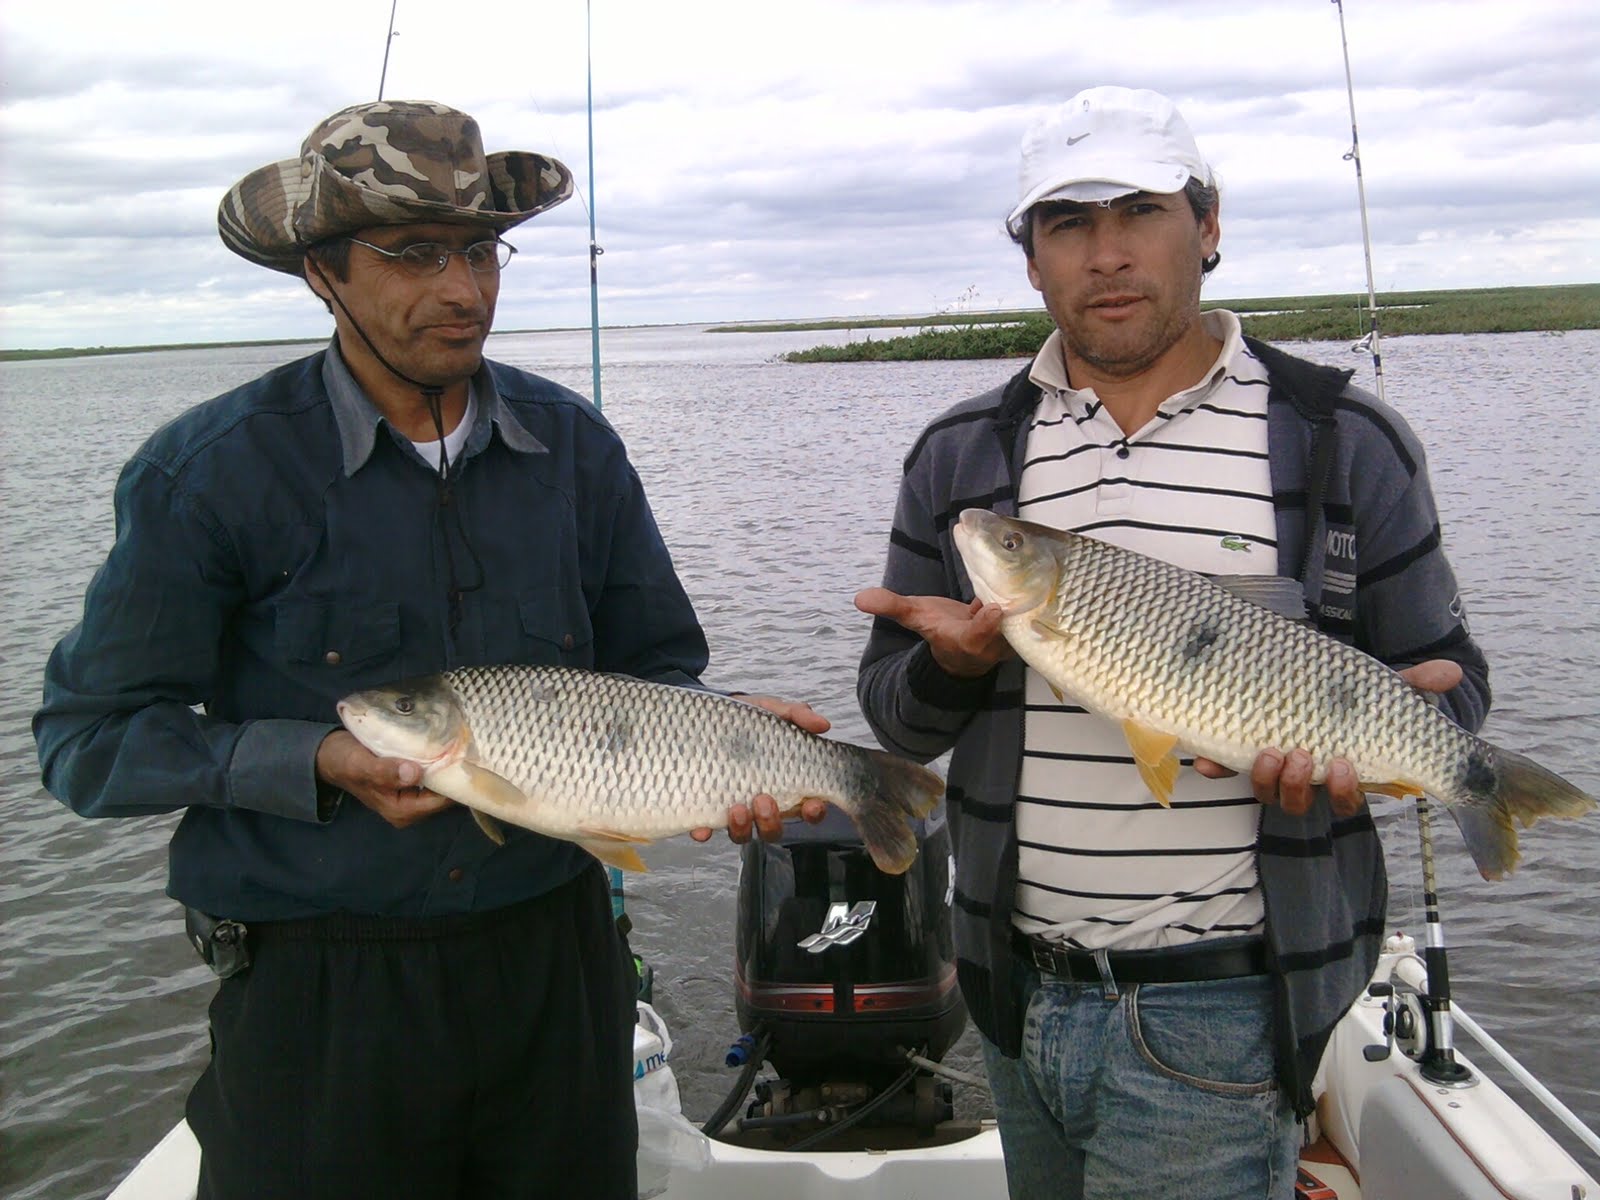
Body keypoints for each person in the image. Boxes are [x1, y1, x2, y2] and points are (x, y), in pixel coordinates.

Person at [35, 99, 820, 1200]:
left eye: (480, 250)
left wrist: (720, 746)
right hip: (321, 984)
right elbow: (87, 742)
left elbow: (655, 669)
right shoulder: (208, 473)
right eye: (413, 253)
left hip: (555, 965)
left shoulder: (575, 447)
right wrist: (313, 759)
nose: (463, 291)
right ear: (322, 272)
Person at [855, 86, 1490, 1199]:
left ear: (1207, 225)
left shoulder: (1341, 437)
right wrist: (950, 665)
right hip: (1012, 985)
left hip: (1221, 1002)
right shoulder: (961, 454)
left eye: (1140, 213)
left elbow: (1453, 681)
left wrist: (1398, 743)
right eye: (1068, 224)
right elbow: (893, 719)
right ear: (1031, 259)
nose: (1107, 255)